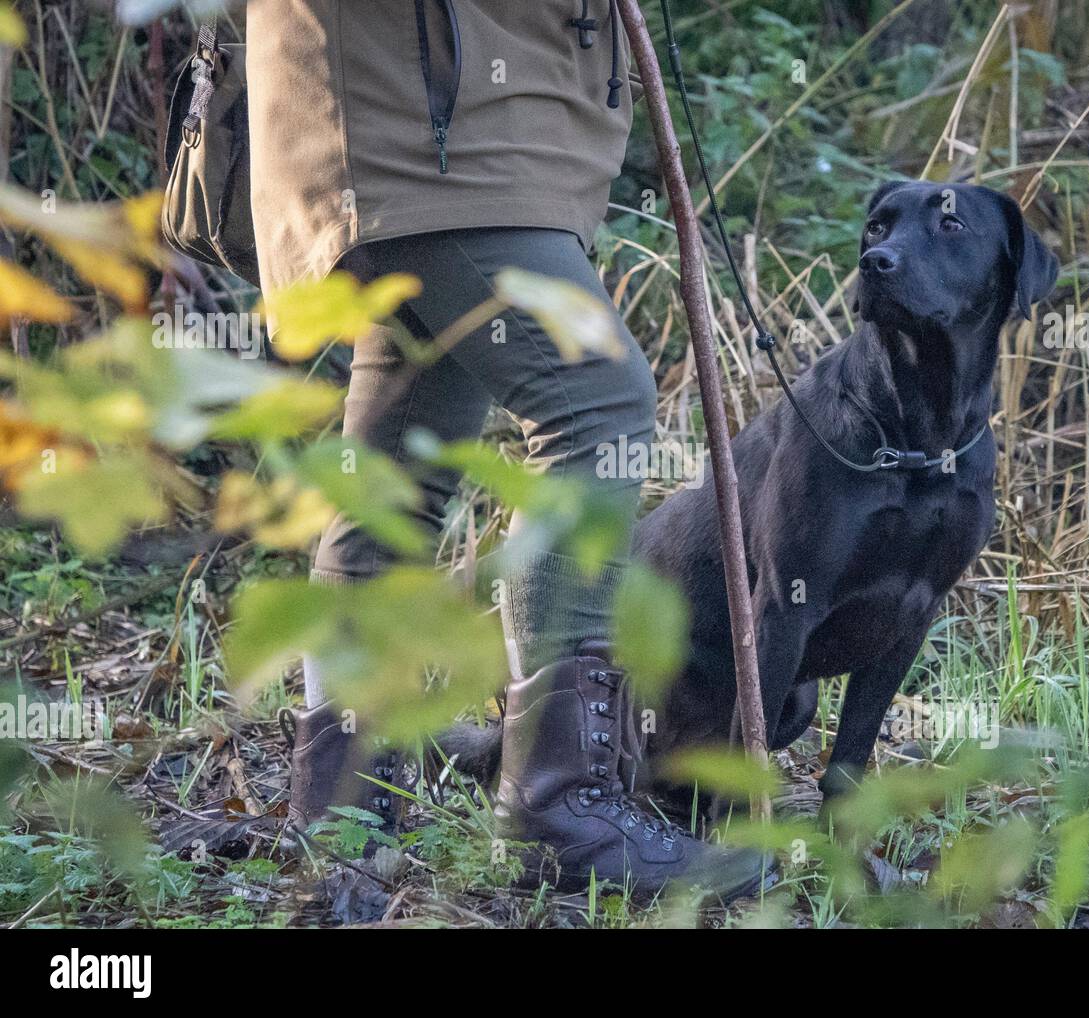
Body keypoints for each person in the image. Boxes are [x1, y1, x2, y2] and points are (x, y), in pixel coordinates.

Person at [247, 0, 772, 900]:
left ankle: (340, 797)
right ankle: (557, 805)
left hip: (475, 123)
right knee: (597, 401)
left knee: (397, 467)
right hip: (420, 128)